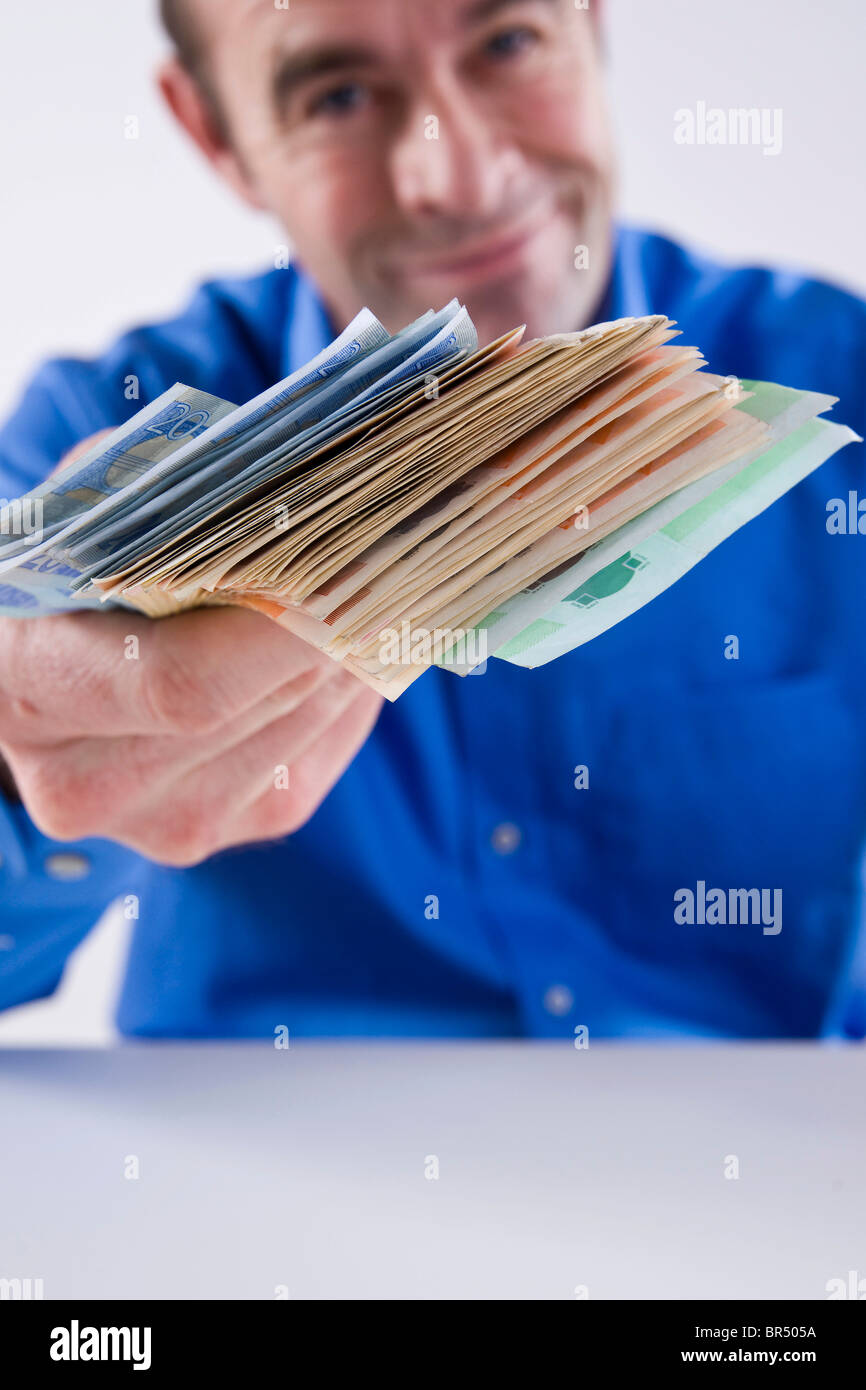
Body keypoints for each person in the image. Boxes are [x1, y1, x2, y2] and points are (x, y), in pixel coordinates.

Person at [0, 0, 864, 1040]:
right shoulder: (97, 434)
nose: (456, 177)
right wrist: (30, 763)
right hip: (264, 1180)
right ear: (217, 135)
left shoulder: (839, 384)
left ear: (588, 23)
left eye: (505, 42)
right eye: (340, 96)